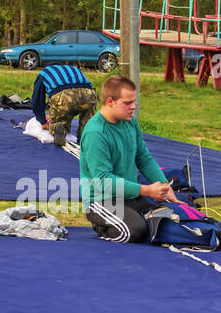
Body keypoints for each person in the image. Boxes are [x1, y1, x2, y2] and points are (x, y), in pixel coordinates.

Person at [78, 75, 178, 243]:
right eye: (127, 103)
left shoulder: (129, 122)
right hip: (102, 200)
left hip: (129, 195)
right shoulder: (96, 133)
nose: (133, 107)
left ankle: (133, 216)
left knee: (170, 217)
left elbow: (143, 158)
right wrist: (146, 190)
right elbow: (103, 181)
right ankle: (103, 227)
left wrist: (165, 186)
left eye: (134, 101)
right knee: (136, 231)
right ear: (110, 101)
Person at [31, 64, 97, 146]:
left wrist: (43, 121)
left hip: (65, 96)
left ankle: (58, 129)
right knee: (86, 122)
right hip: (89, 94)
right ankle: (85, 137)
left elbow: (37, 101)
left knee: (62, 117)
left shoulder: (44, 72)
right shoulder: (72, 68)